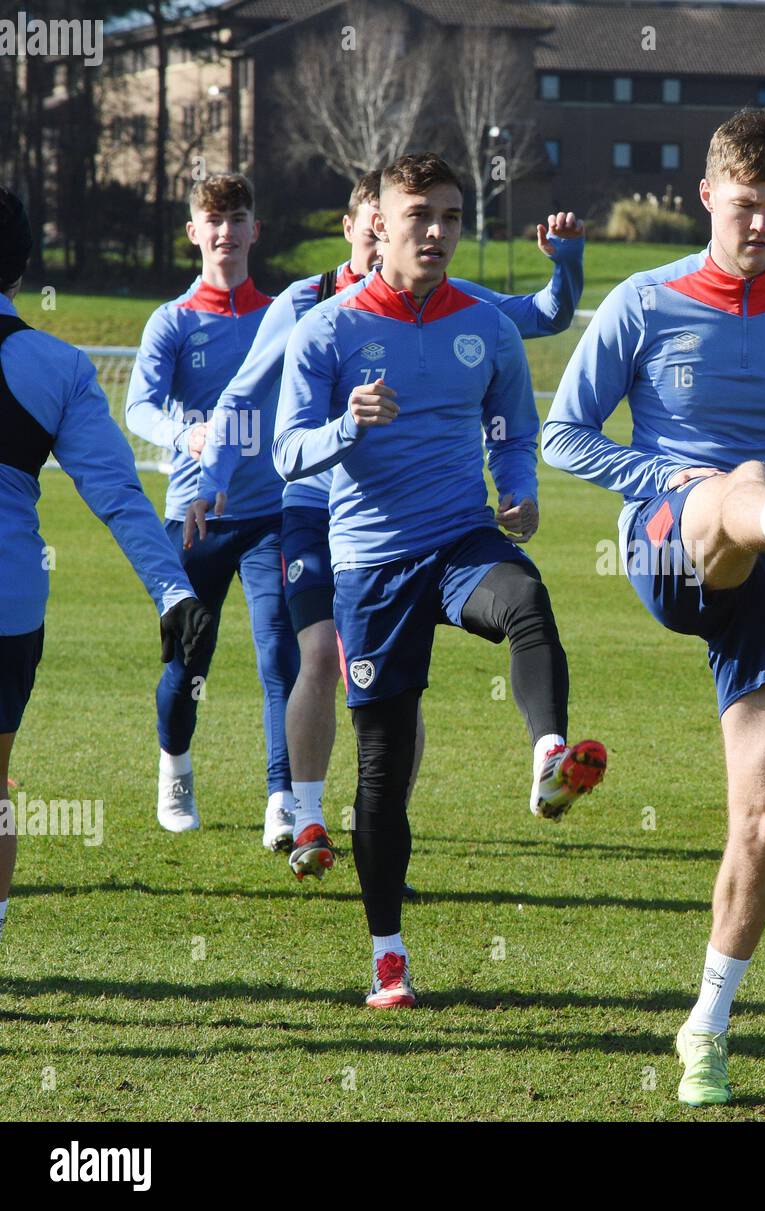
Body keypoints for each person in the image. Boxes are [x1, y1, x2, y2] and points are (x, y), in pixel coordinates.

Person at [542, 108, 765, 1103]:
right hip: (673, 538)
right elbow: (563, 435)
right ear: (708, 195)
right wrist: (663, 475)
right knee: (741, 476)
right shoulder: (642, 300)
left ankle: (705, 1022)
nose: (763, 226)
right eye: (746, 206)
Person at [187, 170, 589, 882]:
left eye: (447, 219)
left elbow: (541, 321)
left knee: (399, 691)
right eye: (394, 220)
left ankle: (385, 826)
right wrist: (213, 477)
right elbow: (246, 394)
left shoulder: (459, 306)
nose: (421, 233)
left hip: (438, 528)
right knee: (315, 655)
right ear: (358, 224)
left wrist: (568, 263)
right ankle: (303, 811)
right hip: (319, 514)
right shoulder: (310, 306)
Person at [273, 154, 605, 1007]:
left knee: (528, 600)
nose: (436, 231)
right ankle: (387, 952)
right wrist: (346, 425)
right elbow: (285, 455)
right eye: (419, 213)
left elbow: (510, 429)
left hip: (459, 541)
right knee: (381, 768)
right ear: (377, 222)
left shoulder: (485, 325)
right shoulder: (328, 331)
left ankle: (547, 758)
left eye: (452, 216)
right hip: (371, 568)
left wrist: (519, 489)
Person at [0, 186, 210, 945]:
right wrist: (172, 590)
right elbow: (120, 496)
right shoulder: (57, 366)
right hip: (10, 605)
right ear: (22, 269)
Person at [124, 173, 300, 850]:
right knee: (188, 662)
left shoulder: (283, 312)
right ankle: (175, 770)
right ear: (194, 232)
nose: (225, 232)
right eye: (212, 220)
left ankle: (282, 796)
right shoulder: (171, 320)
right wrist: (185, 433)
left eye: (238, 219)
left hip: (271, 516)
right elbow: (139, 406)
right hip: (193, 518)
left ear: (256, 230)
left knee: (279, 655)